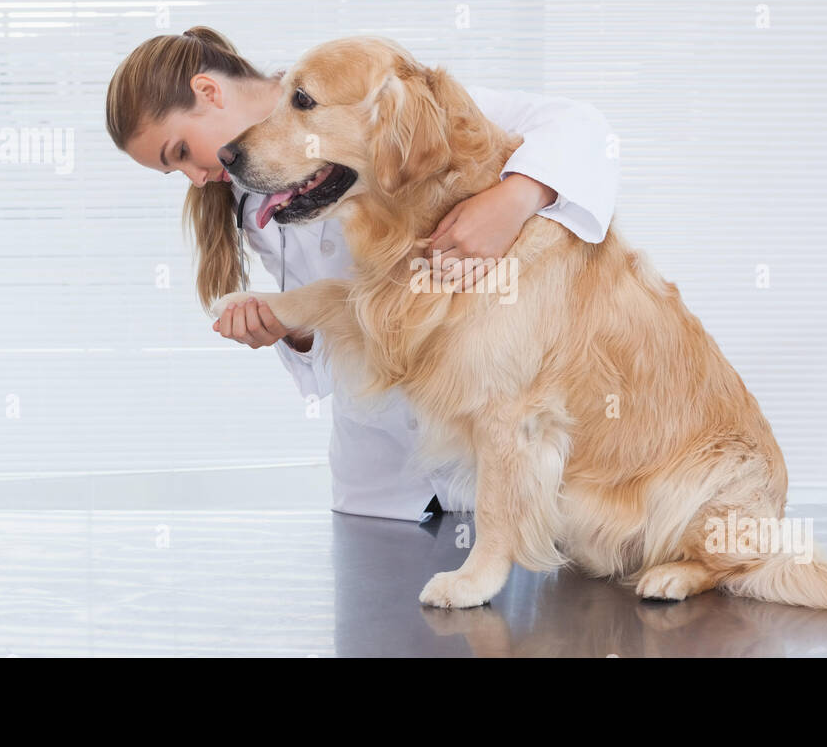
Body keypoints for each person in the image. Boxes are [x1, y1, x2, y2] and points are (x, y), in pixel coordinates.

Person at [106, 26, 619, 522]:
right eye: (176, 172)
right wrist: (289, 328)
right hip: (379, 484)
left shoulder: (375, 90)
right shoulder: (256, 202)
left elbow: (582, 127)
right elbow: (328, 353)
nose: (197, 179)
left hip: (490, 457)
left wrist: (517, 197)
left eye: (180, 153)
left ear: (208, 91)